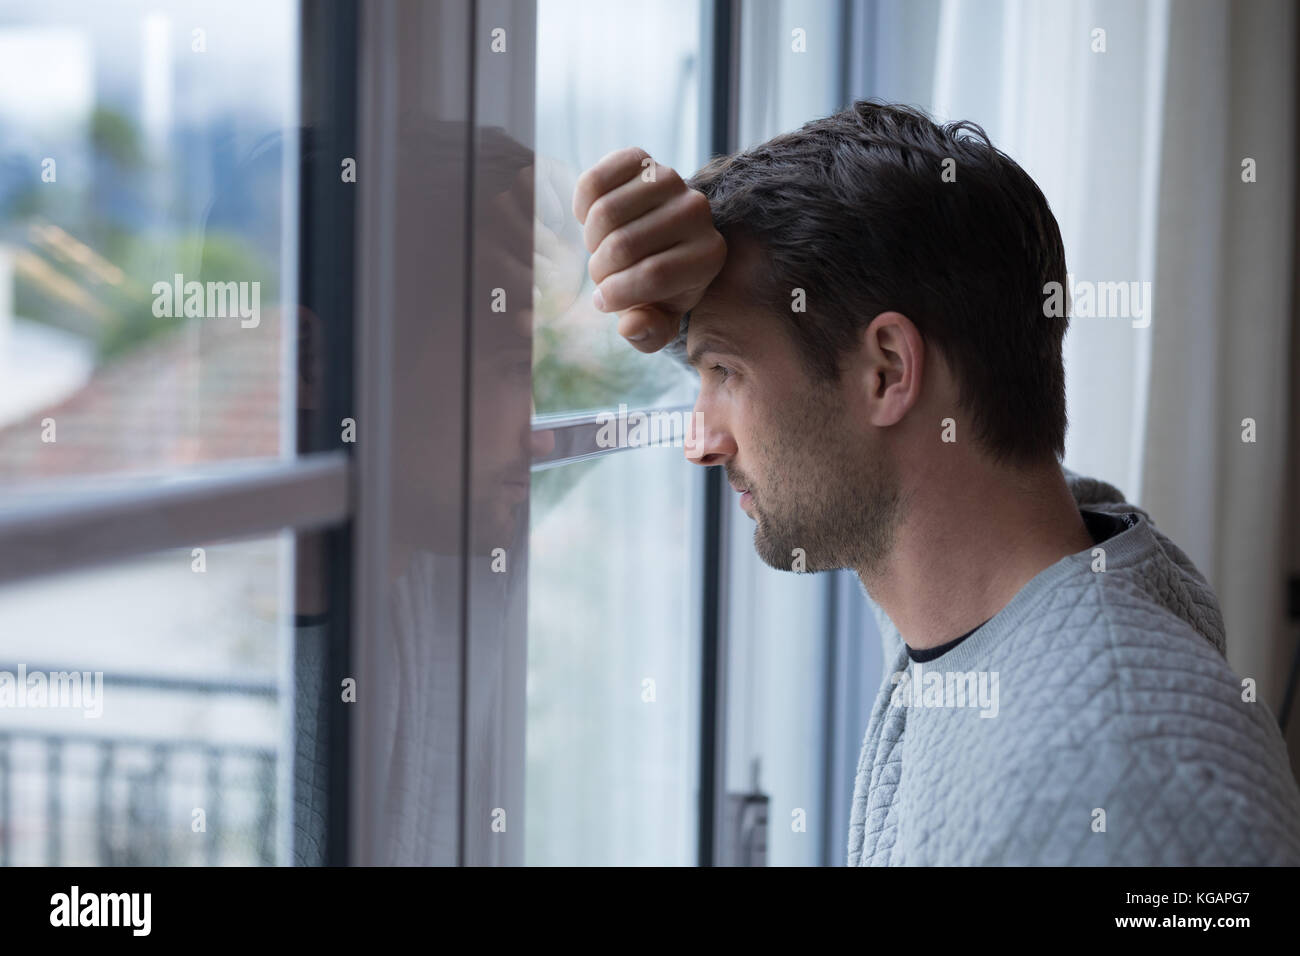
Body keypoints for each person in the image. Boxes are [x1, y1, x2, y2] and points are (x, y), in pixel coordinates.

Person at [572, 100, 1300, 865]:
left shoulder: (1118, 783)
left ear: (887, 371)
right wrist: (661, 259)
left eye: (724, 372)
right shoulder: (1017, 577)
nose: (702, 443)